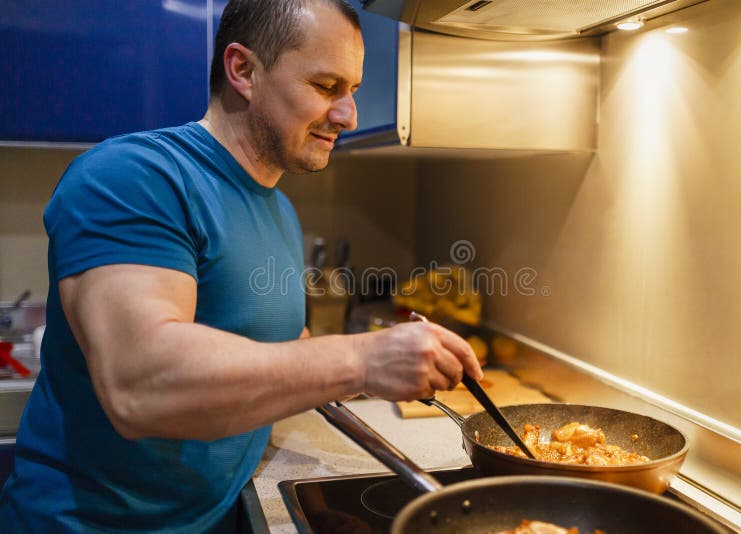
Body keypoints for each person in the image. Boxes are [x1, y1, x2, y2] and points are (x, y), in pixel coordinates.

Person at [0, 0, 482, 532]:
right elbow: (140, 383)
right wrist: (363, 358)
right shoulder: (133, 177)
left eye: (354, 91)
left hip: (215, 517)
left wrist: (390, 359)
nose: (349, 115)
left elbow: (273, 345)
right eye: (327, 87)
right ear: (243, 70)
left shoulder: (277, 206)